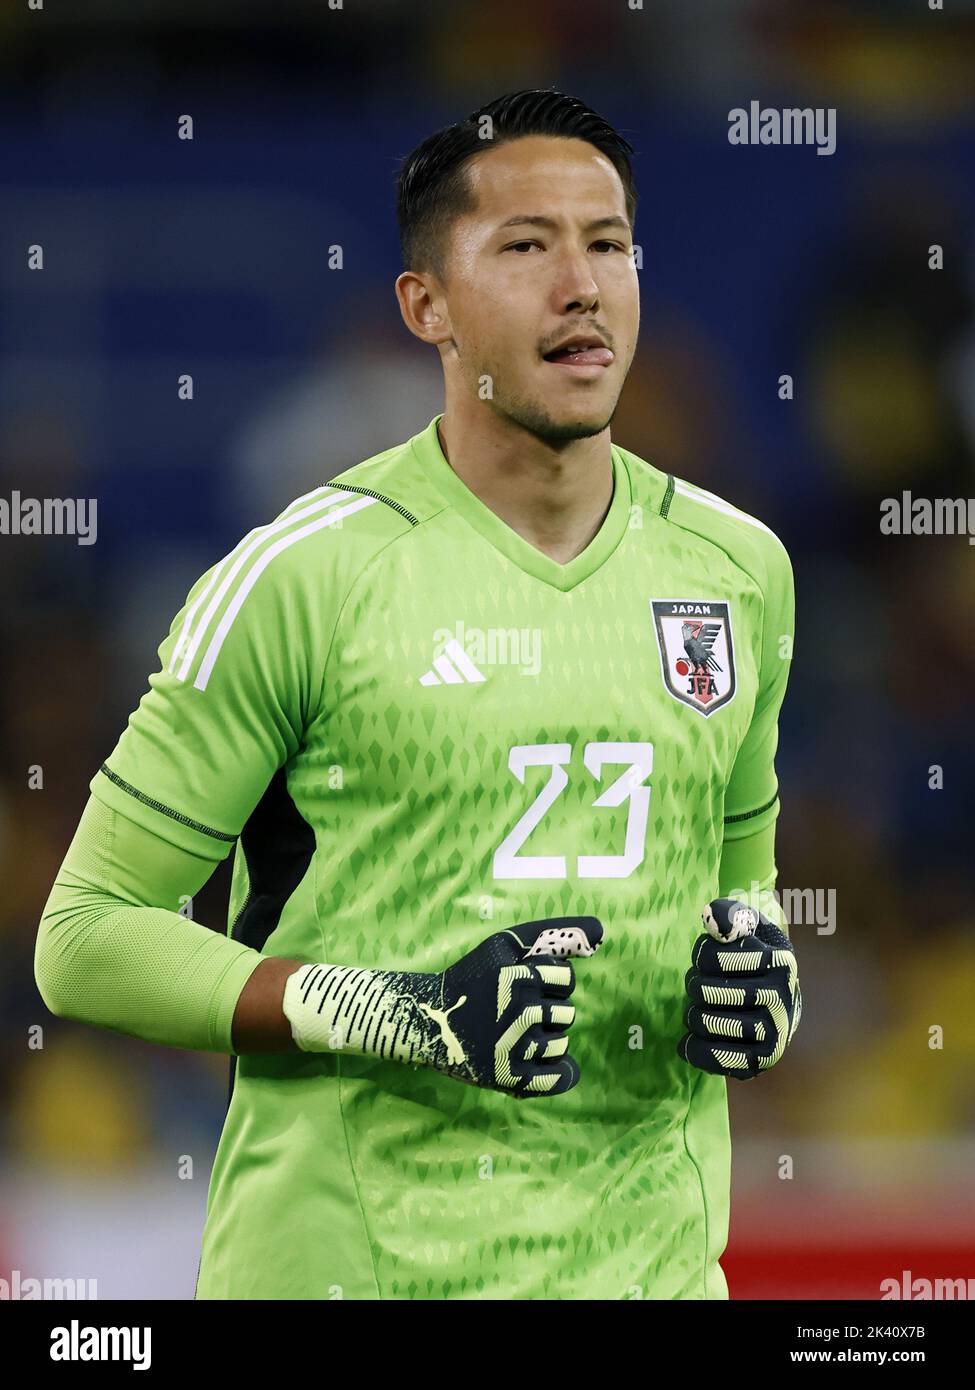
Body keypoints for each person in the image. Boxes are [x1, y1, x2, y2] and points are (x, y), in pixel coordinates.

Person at [35, 88, 799, 1300]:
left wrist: (763, 976)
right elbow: (82, 941)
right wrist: (399, 1010)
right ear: (425, 306)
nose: (582, 284)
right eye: (526, 246)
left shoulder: (738, 568)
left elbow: (737, 887)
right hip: (356, 1271)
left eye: (608, 243)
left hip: (650, 1275)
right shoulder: (304, 577)